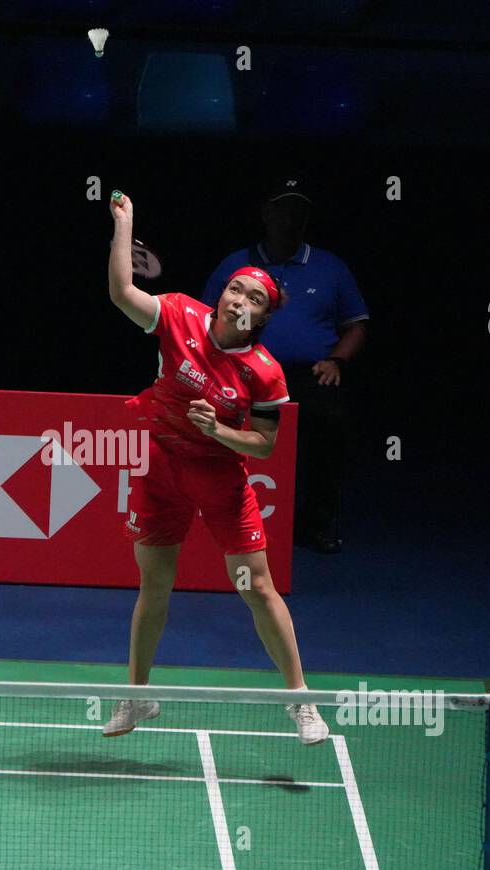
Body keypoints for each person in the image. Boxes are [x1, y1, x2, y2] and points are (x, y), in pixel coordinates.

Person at [103, 190, 328, 745]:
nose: (238, 300)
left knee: (254, 586)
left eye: (253, 296)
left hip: (220, 477)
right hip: (160, 466)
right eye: (234, 288)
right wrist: (125, 224)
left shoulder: (265, 372)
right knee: (154, 584)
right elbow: (121, 292)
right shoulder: (178, 313)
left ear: (264, 314)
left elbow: (263, 446)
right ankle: (136, 696)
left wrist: (218, 431)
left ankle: (299, 702)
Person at [203, 177, 368, 553]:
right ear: (266, 214)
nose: (290, 218)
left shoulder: (330, 267)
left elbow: (356, 325)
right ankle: (215, 517)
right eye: (282, 209)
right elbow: (206, 317)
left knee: (331, 421)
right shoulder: (237, 264)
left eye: (299, 211)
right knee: (206, 424)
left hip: (308, 374)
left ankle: (318, 523)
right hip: (242, 369)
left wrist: (336, 360)